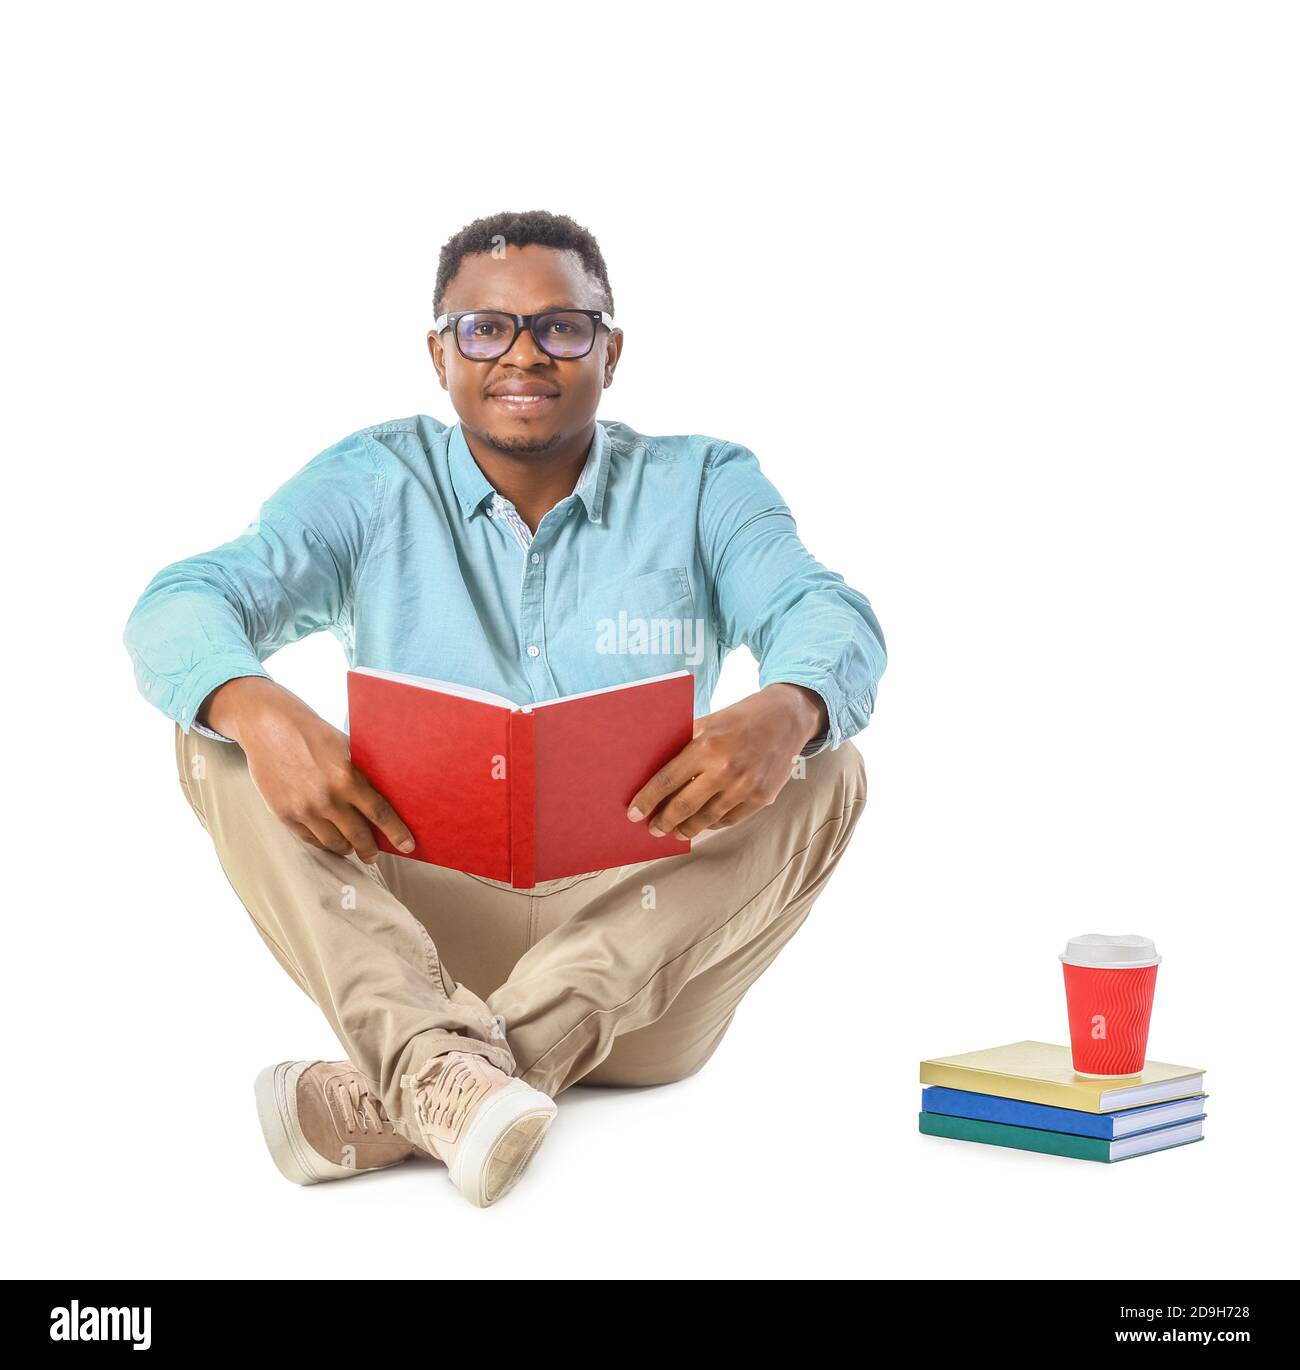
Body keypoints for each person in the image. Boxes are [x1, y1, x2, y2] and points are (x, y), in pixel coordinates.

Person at [125, 210, 887, 1207]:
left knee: (828, 763)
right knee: (212, 733)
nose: (522, 354)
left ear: (609, 350)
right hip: (412, 943)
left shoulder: (704, 482)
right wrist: (253, 701)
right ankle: (438, 1062)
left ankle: (425, 1078)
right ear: (438, 352)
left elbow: (823, 612)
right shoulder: (370, 480)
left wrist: (787, 703)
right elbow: (180, 603)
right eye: (485, 329)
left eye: (561, 327)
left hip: (640, 957)